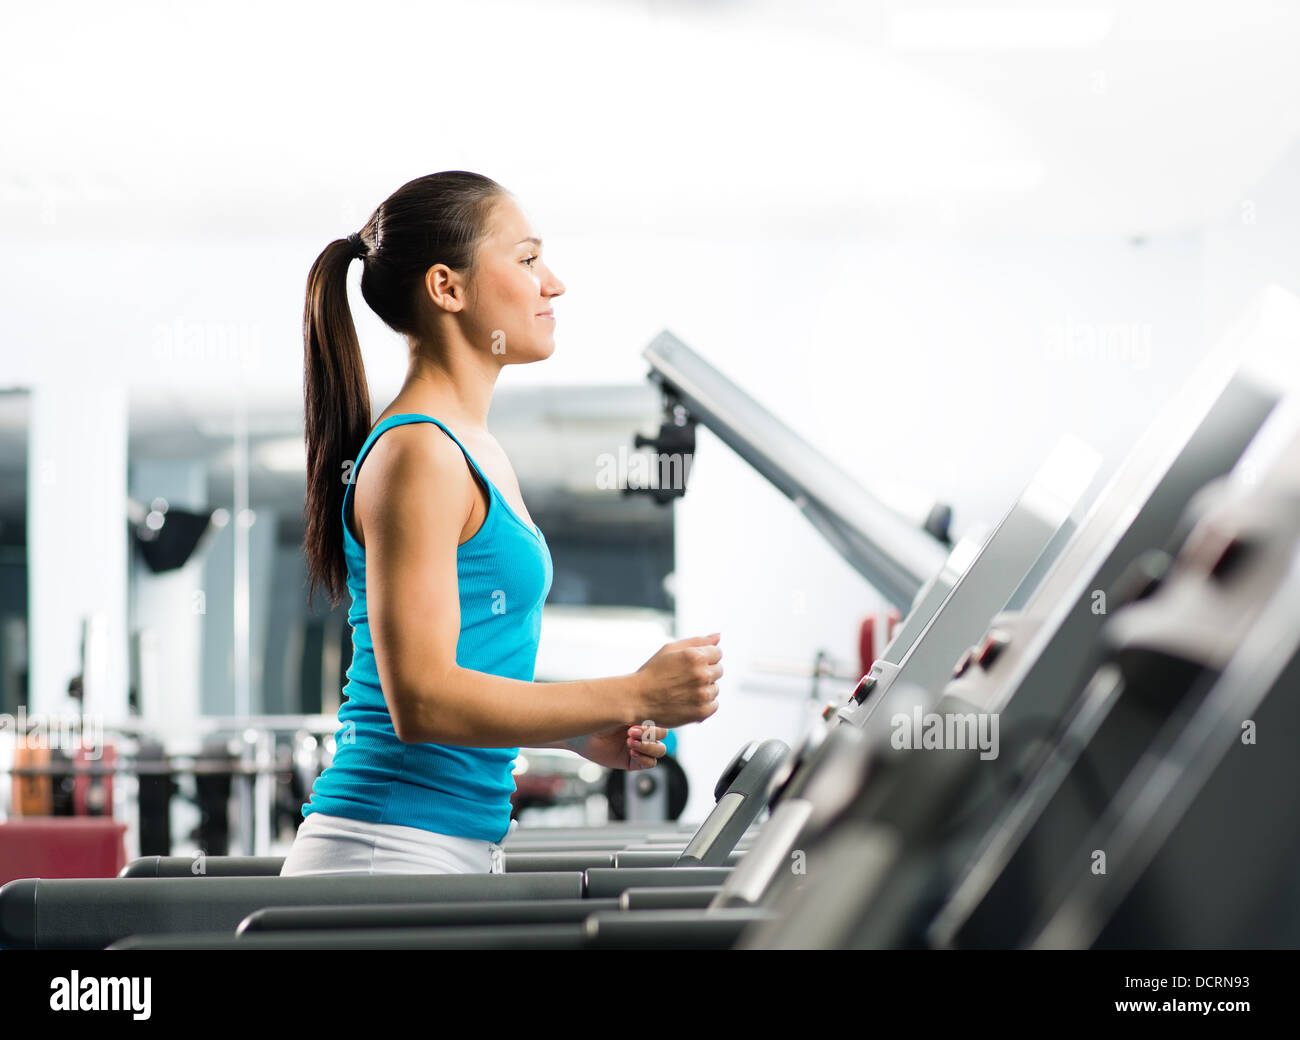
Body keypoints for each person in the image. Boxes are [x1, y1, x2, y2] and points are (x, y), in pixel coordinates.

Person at [283, 171, 723, 876]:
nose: (553, 283)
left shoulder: (469, 447)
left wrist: (582, 731)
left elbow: (470, 667)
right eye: (526, 258)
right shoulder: (417, 452)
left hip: (442, 845)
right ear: (447, 289)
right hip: (386, 846)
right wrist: (634, 692)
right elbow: (422, 700)